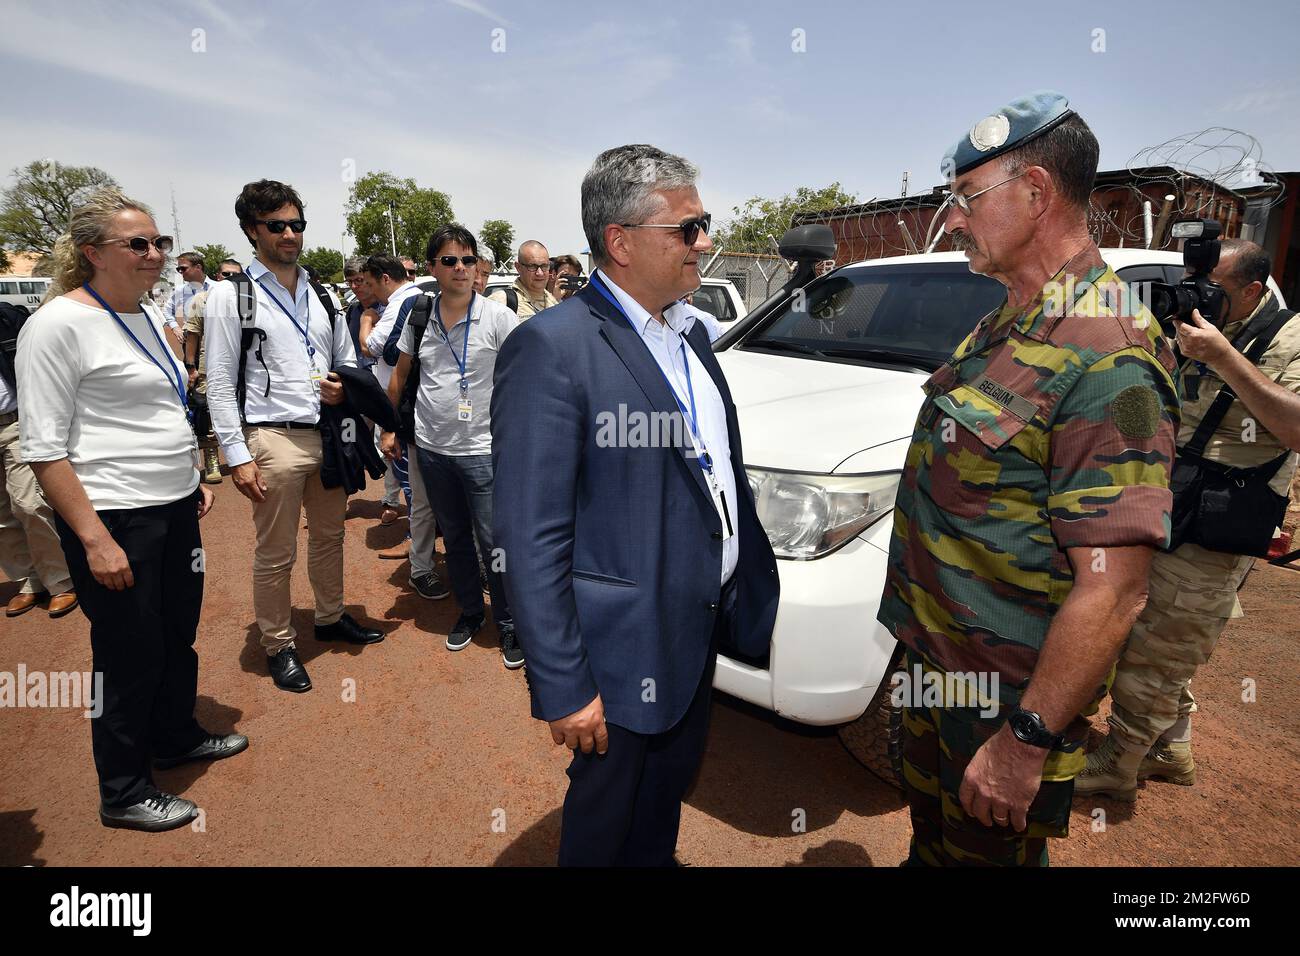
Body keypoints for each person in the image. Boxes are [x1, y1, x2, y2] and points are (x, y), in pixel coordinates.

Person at [875, 92, 1180, 866]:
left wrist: (1026, 741)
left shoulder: (1110, 354)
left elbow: (1113, 588)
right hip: (940, 667)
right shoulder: (1008, 318)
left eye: (965, 199)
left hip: (1006, 700)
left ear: (1037, 193)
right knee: (932, 846)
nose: (950, 219)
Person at [492, 145, 780, 865]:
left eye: (702, 224)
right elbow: (530, 538)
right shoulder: (551, 350)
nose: (705, 242)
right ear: (619, 242)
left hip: (693, 630)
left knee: (663, 797)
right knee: (607, 816)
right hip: (617, 658)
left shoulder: (690, 336)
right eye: (689, 228)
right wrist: (563, 684)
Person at [16, 188, 246, 832]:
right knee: (127, 652)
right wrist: (93, 539)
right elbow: (43, 448)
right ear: (92, 253)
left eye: (158, 243)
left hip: (172, 505)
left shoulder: (143, 314)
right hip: (114, 517)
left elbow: (156, 407)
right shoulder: (57, 325)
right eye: (138, 244)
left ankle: (174, 735)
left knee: (176, 632)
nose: (155, 254)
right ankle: (122, 790)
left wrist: (186, 479)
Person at [1077, 238, 1300, 800]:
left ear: (1252, 291)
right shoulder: (1189, 324)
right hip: (1169, 497)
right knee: (1163, 628)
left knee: (1162, 643)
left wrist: (1223, 355)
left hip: (1222, 513)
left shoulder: (1291, 337)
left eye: (1214, 289)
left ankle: (1118, 766)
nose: (1197, 296)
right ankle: (1170, 747)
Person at [205, 179, 383, 693]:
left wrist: (340, 388)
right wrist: (236, 455)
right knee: (275, 550)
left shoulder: (322, 292)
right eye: (276, 225)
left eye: (297, 224)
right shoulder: (231, 294)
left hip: (325, 434)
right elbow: (218, 380)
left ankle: (329, 616)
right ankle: (279, 643)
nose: (289, 234)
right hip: (271, 438)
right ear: (250, 230)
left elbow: (347, 360)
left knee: (329, 537)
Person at [382, 225, 518, 664]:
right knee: (455, 540)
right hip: (433, 450)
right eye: (449, 260)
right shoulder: (419, 316)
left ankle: (511, 622)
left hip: (484, 451)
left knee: (495, 542)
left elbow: (525, 378)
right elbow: (400, 375)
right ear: (432, 268)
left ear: (478, 265)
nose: (460, 268)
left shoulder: (498, 318)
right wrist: (389, 427)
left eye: (467, 259)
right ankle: (472, 612)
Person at [362, 253, 445, 595]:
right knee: (420, 495)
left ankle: (425, 551)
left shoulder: (406, 303)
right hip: (415, 419)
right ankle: (420, 562)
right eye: (450, 262)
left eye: (367, 282)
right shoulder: (423, 306)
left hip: (433, 421)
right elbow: (399, 364)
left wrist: (366, 321)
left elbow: (377, 349)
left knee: (427, 496)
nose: (363, 290)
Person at [0, 302, 77, 618]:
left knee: (29, 503)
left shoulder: (10, 319)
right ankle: (29, 580)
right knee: (2, 514)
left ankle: (60, 581)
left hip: (17, 422)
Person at [184, 258, 243, 484]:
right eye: (226, 275)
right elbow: (192, 335)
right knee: (207, 413)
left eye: (236, 275)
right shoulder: (202, 300)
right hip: (209, 367)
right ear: (218, 277)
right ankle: (211, 458)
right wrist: (191, 367)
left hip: (242, 367)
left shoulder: (248, 299)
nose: (231, 279)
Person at [489, 240, 559, 318]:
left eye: (544, 266)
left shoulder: (554, 302)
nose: (540, 273)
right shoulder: (501, 301)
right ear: (518, 267)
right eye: (532, 266)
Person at [166, 251, 210, 354]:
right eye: (178, 269)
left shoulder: (217, 288)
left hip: (213, 340)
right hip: (190, 341)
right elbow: (167, 311)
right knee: (191, 369)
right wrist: (175, 327)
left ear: (198, 267)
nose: (180, 272)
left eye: (183, 268)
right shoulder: (179, 291)